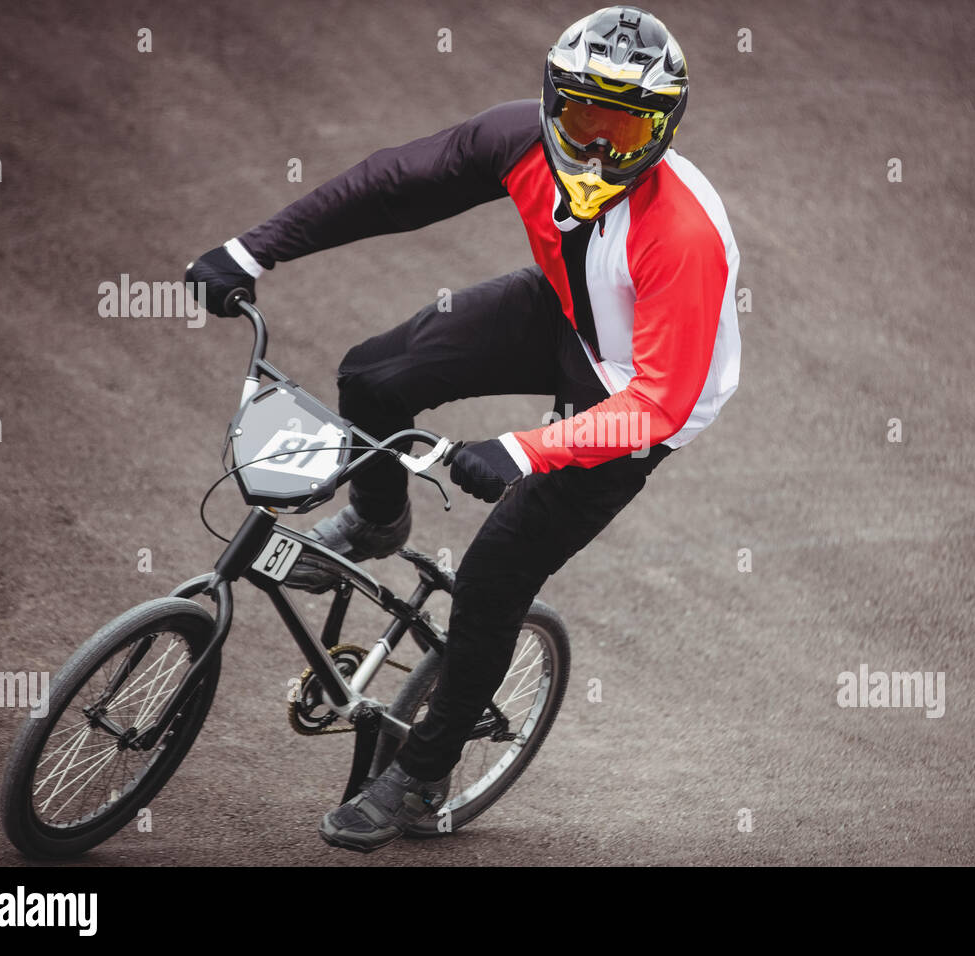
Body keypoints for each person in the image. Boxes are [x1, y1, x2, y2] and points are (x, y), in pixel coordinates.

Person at [185, 5, 740, 853]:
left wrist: (518, 449)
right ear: (553, 102)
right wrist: (253, 250)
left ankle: (422, 774)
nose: (595, 149)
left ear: (661, 129)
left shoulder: (683, 236)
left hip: (637, 404)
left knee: (492, 574)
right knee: (373, 374)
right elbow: (392, 184)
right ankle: (377, 518)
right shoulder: (517, 140)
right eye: (584, 118)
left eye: (622, 128)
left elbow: (656, 404)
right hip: (567, 311)